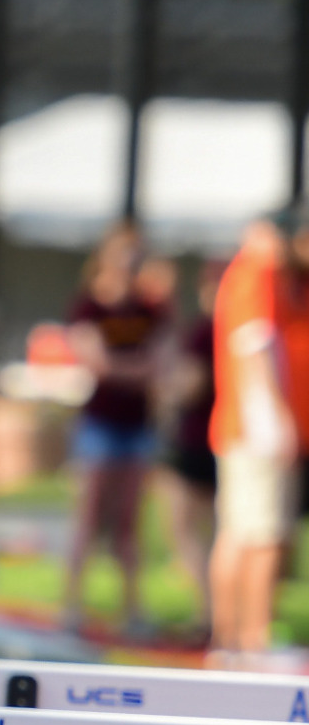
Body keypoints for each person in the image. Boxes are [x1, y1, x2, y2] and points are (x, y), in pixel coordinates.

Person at [209, 212, 309, 663]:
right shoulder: (255, 274)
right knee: (261, 537)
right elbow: (254, 349)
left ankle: (236, 640)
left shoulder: (262, 276)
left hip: (251, 428)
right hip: (256, 430)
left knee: (246, 532)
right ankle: (249, 638)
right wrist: (277, 424)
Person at [61, 222, 168, 637]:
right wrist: (133, 369)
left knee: (128, 522)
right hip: (101, 423)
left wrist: (122, 368)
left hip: (136, 424)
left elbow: (159, 362)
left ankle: (132, 609)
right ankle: (72, 605)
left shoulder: (149, 310)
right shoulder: (89, 306)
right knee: (89, 515)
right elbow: (96, 362)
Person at [159, 261, 220, 635]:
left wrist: (167, 391)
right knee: (214, 531)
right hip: (221, 440)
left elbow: (193, 385)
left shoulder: (204, 331)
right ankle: (217, 614)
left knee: (184, 529)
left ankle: (209, 611)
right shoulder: (236, 327)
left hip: (197, 438)